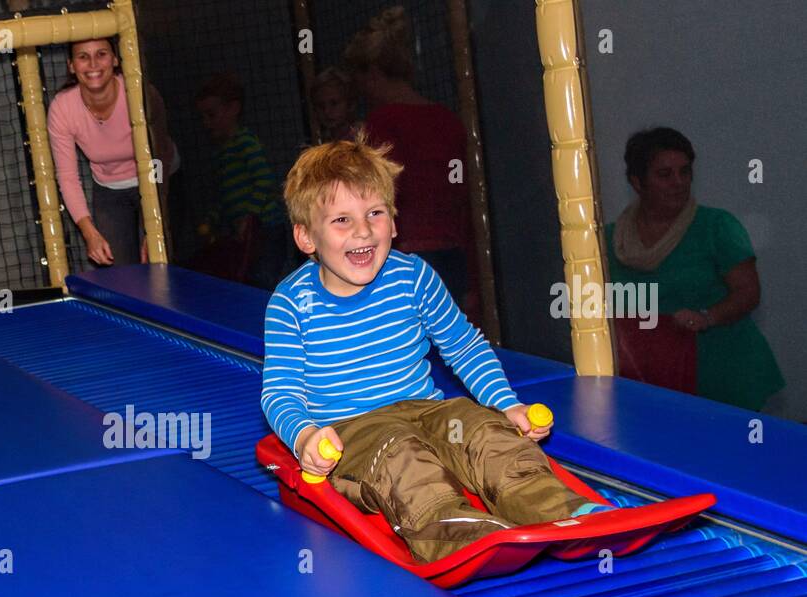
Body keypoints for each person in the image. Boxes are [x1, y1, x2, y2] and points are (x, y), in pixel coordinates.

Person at [262, 139, 616, 564]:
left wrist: (506, 406)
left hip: (426, 411)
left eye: (375, 213)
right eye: (341, 220)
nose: (362, 230)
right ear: (306, 237)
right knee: (401, 457)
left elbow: (464, 346)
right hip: (352, 431)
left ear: (393, 223)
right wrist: (305, 438)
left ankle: (562, 510)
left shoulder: (412, 277)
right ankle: (453, 532)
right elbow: (280, 392)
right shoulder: (291, 303)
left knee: (479, 428)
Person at [606, 127, 784, 411]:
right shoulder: (609, 239)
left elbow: (748, 293)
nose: (678, 182)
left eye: (685, 172)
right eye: (665, 175)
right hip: (649, 382)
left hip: (721, 375)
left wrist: (706, 317)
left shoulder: (717, 226)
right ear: (637, 182)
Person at [344, 6, 472, 311]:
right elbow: (460, 194)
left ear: (373, 75)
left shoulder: (381, 123)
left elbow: (375, 192)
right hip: (452, 252)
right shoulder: (447, 119)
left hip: (404, 253)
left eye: (361, 82)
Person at [47, 37, 177, 268]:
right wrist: (90, 234)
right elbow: (67, 177)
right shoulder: (63, 108)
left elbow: (160, 158)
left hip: (157, 181)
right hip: (109, 190)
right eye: (83, 57)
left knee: (160, 267)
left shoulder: (139, 94)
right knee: (122, 274)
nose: (93, 64)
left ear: (115, 59)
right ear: (71, 65)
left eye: (102, 54)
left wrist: (154, 228)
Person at [194, 73, 290, 290]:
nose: (206, 123)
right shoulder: (221, 152)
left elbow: (264, 179)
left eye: (211, 114)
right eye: (203, 117)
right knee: (248, 279)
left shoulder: (244, 142)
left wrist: (250, 215)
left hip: (266, 228)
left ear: (233, 109)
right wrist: (213, 219)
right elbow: (225, 196)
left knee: (263, 279)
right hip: (245, 232)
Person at [310, 67, 362, 144]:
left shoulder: (362, 137)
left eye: (334, 103)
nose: (326, 111)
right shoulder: (326, 139)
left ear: (350, 104)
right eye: (321, 106)